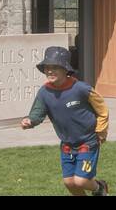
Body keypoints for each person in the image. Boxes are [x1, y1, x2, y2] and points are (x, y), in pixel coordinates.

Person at [21, 45, 110, 196]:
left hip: (87, 142)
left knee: (81, 181)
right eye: (47, 67)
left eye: (55, 67)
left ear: (65, 69)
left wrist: (101, 131)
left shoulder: (81, 89)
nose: (50, 71)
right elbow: (38, 111)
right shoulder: (44, 92)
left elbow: (102, 109)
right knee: (69, 182)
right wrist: (30, 120)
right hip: (67, 145)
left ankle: (100, 188)